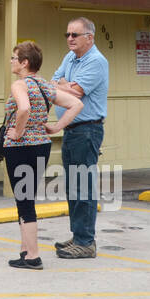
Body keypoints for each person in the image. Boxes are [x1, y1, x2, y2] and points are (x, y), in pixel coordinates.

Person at [3, 41, 83, 268]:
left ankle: (33, 256)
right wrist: (57, 128)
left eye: (14, 57)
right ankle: (25, 249)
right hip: (41, 145)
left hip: (21, 148)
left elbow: (24, 108)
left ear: (24, 63)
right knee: (27, 198)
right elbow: (76, 104)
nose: (11, 61)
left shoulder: (20, 85)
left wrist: (18, 132)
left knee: (24, 201)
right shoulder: (45, 86)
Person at [51, 16, 109, 259]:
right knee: (72, 186)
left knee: (83, 186)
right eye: (68, 34)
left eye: (75, 35)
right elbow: (53, 82)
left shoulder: (96, 61)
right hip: (72, 129)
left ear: (90, 37)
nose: (70, 39)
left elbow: (75, 91)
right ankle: (78, 235)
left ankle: (86, 242)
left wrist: (64, 85)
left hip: (87, 130)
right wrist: (65, 84)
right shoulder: (70, 58)